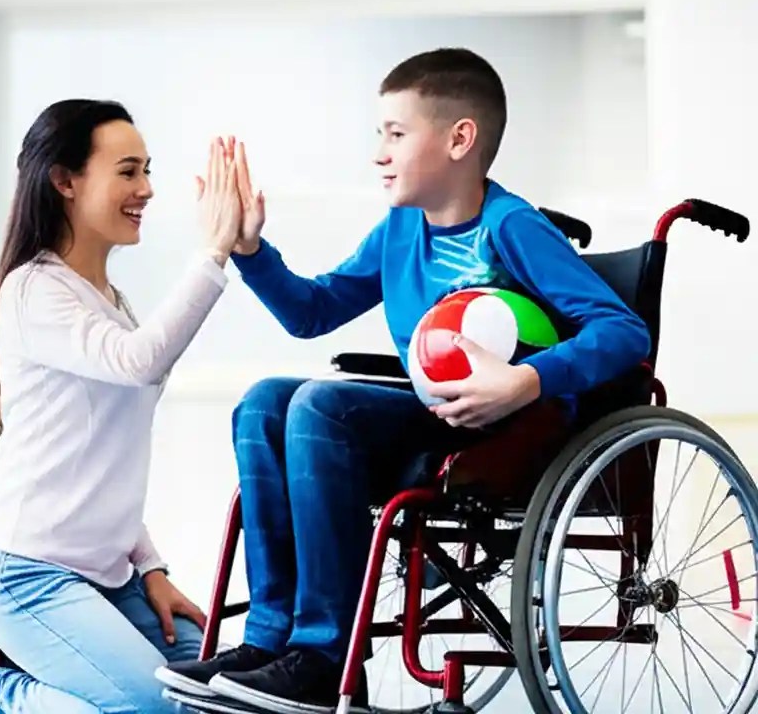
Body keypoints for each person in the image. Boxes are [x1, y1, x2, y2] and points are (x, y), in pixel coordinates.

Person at [157, 47, 651, 714]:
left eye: (395, 133)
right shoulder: (400, 230)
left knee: (319, 406)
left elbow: (624, 332)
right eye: (379, 135)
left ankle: (323, 654)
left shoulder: (513, 228)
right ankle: (272, 636)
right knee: (262, 404)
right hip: (433, 414)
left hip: (502, 428)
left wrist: (527, 380)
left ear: (459, 139)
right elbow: (313, 311)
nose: (378, 153)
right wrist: (249, 249)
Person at [0, 99, 256, 714]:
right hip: (27, 578)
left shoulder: (111, 300)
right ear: (65, 181)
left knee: (220, 701)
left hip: (112, 576)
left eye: (148, 170)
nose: (148, 189)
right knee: (158, 710)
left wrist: (151, 568)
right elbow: (140, 361)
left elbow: (107, 465)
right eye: (128, 171)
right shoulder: (33, 289)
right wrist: (213, 251)